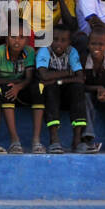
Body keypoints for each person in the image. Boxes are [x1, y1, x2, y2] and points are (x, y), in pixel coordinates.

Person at [35, 23, 92, 153]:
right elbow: (43, 75)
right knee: (50, 89)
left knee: (77, 88)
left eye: (63, 40)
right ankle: (54, 139)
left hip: (66, 92)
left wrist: (58, 80)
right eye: (55, 39)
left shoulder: (72, 52)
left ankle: (77, 140)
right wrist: (68, 72)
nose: (58, 44)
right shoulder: (45, 50)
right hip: (50, 93)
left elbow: (80, 78)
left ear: (69, 42)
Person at [0, 30, 44, 154]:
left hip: (21, 88)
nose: (17, 40)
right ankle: (14, 141)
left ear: (27, 40)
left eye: (22, 37)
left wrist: (18, 86)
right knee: (7, 87)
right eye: (13, 37)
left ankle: (36, 141)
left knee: (37, 87)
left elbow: (29, 78)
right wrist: (15, 82)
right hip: (4, 87)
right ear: (6, 38)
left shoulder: (29, 51)